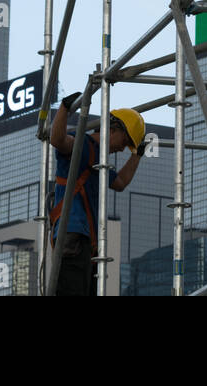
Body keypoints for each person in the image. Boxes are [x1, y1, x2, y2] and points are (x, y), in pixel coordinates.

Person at [47, 93, 147, 296]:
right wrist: (65, 109)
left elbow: (119, 183)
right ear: (112, 130)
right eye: (124, 141)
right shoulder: (83, 145)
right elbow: (57, 140)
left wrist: (137, 156)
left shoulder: (99, 160)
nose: (121, 149)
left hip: (85, 242)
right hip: (72, 235)